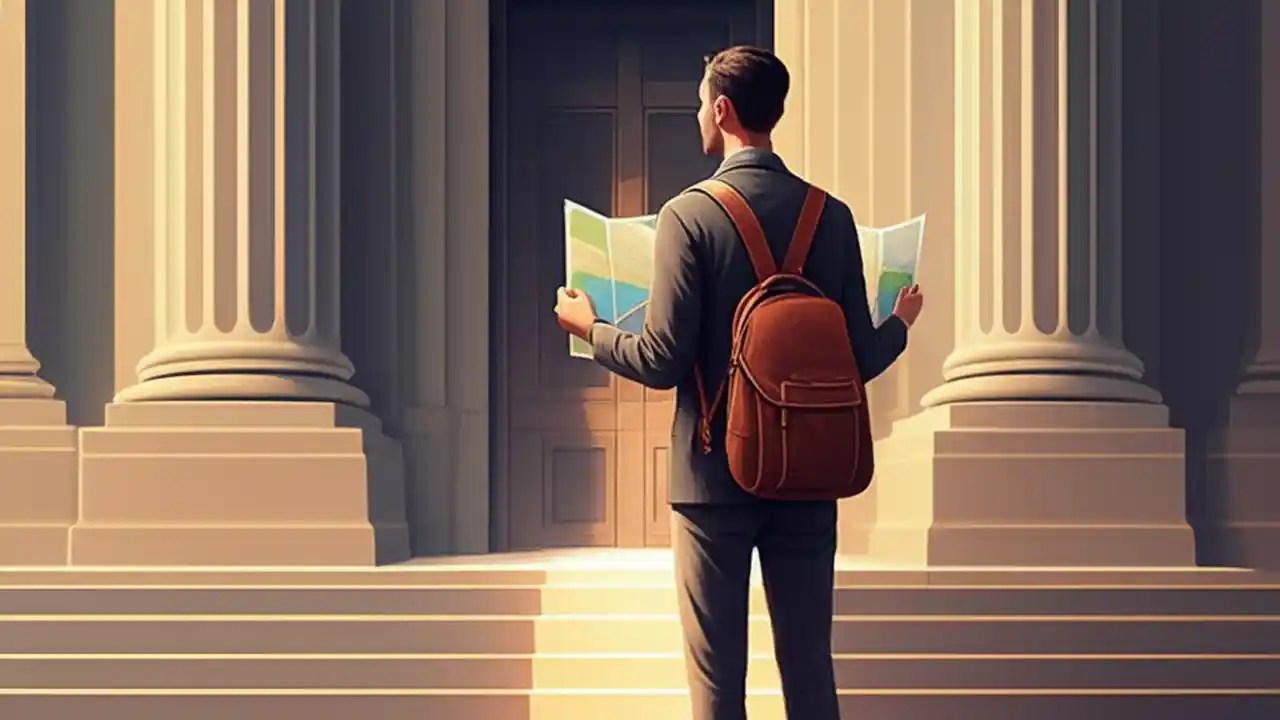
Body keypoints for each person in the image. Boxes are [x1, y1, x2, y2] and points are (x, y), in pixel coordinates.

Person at [554, 45, 924, 720]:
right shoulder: (830, 216)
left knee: (718, 681)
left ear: (722, 111)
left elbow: (663, 359)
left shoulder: (689, 216)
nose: (700, 111)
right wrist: (899, 324)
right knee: (810, 668)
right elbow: (859, 362)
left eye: (702, 101)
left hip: (711, 481)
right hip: (807, 477)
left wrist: (590, 329)